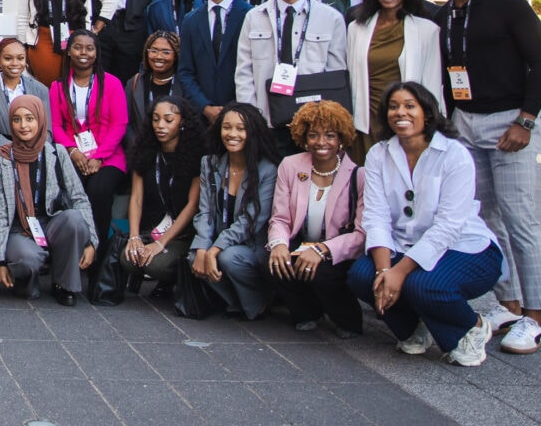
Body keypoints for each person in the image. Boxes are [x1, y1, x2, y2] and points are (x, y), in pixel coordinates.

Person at [435, 0, 541, 354]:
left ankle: (536, 318)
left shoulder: (508, 6)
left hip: (507, 124)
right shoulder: (444, 13)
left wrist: (526, 120)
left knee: (520, 220)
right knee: (485, 218)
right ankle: (509, 304)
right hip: (465, 123)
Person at [349, 81, 503, 366]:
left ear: (427, 113)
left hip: (462, 246)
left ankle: (473, 326)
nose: (400, 112)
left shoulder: (454, 155)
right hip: (402, 245)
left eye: (410, 106)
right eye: (393, 107)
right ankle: (413, 329)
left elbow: (448, 226)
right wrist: (385, 270)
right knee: (361, 276)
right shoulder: (379, 154)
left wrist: (399, 273)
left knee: (423, 284)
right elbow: (376, 215)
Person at [266, 100, 365, 337]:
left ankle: (348, 319)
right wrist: (278, 245)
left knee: (321, 273)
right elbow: (279, 217)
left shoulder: (358, 175)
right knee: (272, 260)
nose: (321, 142)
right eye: (313, 135)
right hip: (301, 240)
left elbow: (361, 234)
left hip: (336, 248)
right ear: (304, 137)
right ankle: (307, 312)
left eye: (330, 135)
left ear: (341, 138)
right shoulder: (290, 166)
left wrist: (322, 250)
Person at [234, 0, 347, 154]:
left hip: (313, 128)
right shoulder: (254, 17)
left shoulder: (330, 19)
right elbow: (244, 73)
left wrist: (324, 125)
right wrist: (252, 118)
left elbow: (335, 76)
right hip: (267, 123)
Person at [0, 94, 97, 304]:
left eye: (29, 118)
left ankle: (64, 285)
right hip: (19, 229)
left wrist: (91, 241)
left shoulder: (57, 152)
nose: (23, 125)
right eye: (16, 120)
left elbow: (78, 198)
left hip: (51, 223)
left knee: (73, 219)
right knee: (27, 260)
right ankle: (27, 278)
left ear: (41, 120)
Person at [347, 0, 443, 163]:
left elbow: (432, 83)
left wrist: (432, 125)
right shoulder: (356, 28)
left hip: (407, 118)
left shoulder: (426, 30)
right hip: (367, 119)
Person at [190, 103, 278, 320]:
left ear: (252, 132)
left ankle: (259, 303)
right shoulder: (209, 163)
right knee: (194, 255)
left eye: (241, 128)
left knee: (229, 257)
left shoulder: (267, 169)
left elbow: (252, 221)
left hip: (252, 246)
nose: (232, 134)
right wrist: (203, 247)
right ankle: (234, 302)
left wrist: (215, 248)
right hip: (222, 239)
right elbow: (205, 212)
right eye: (227, 127)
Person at [48, 30, 128, 251]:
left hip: (109, 156)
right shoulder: (57, 86)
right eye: (78, 47)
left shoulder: (112, 83)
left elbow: (119, 124)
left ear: (97, 52)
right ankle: (71, 249)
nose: (84, 52)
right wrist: (73, 151)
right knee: (68, 192)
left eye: (89, 48)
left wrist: (100, 156)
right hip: (72, 155)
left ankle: (98, 250)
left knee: (98, 190)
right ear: (69, 52)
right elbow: (56, 126)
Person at [123, 97, 206, 295]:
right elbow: (136, 198)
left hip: (184, 232)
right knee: (128, 258)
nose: (160, 126)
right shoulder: (143, 151)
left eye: (168, 120)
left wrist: (161, 243)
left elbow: (193, 205)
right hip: (153, 227)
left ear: (182, 121)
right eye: (156, 119)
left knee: (156, 265)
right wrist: (133, 236)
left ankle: (175, 280)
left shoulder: (197, 155)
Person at [178, 0, 250, 126]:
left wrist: (237, 108)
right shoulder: (191, 21)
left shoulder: (250, 15)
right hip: (203, 117)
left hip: (242, 114)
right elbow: (185, 72)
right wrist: (205, 107)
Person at [0, 36, 49, 152]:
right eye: (8, 58)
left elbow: (47, 130)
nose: (15, 63)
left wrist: (34, 150)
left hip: (37, 152)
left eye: (20, 58)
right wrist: (19, 151)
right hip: (3, 153)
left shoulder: (40, 89)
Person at [124, 31, 183, 158]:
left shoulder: (184, 84)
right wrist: (136, 145)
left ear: (176, 55)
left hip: (176, 154)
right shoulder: (134, 83)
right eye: (154, 50)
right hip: (141, 154)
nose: (158, 56)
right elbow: (126, 121)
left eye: (166, 52)